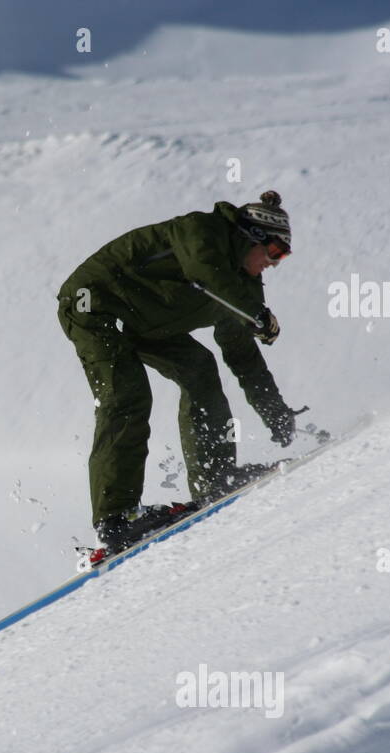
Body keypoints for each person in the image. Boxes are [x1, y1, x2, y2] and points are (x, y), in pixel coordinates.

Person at [57, 190, 303, 552]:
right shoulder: (202, 232)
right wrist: (256, 313)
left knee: (200, 369)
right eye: (275, 252)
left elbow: (242, 354)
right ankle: (116, 519)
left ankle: (214, 478)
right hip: (95, 304)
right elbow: (205, 270)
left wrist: (275, 412)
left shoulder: (240, 288)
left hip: (144, 322)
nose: (274, 264)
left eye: (282, 257)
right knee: (127, 395)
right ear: (252, 237)